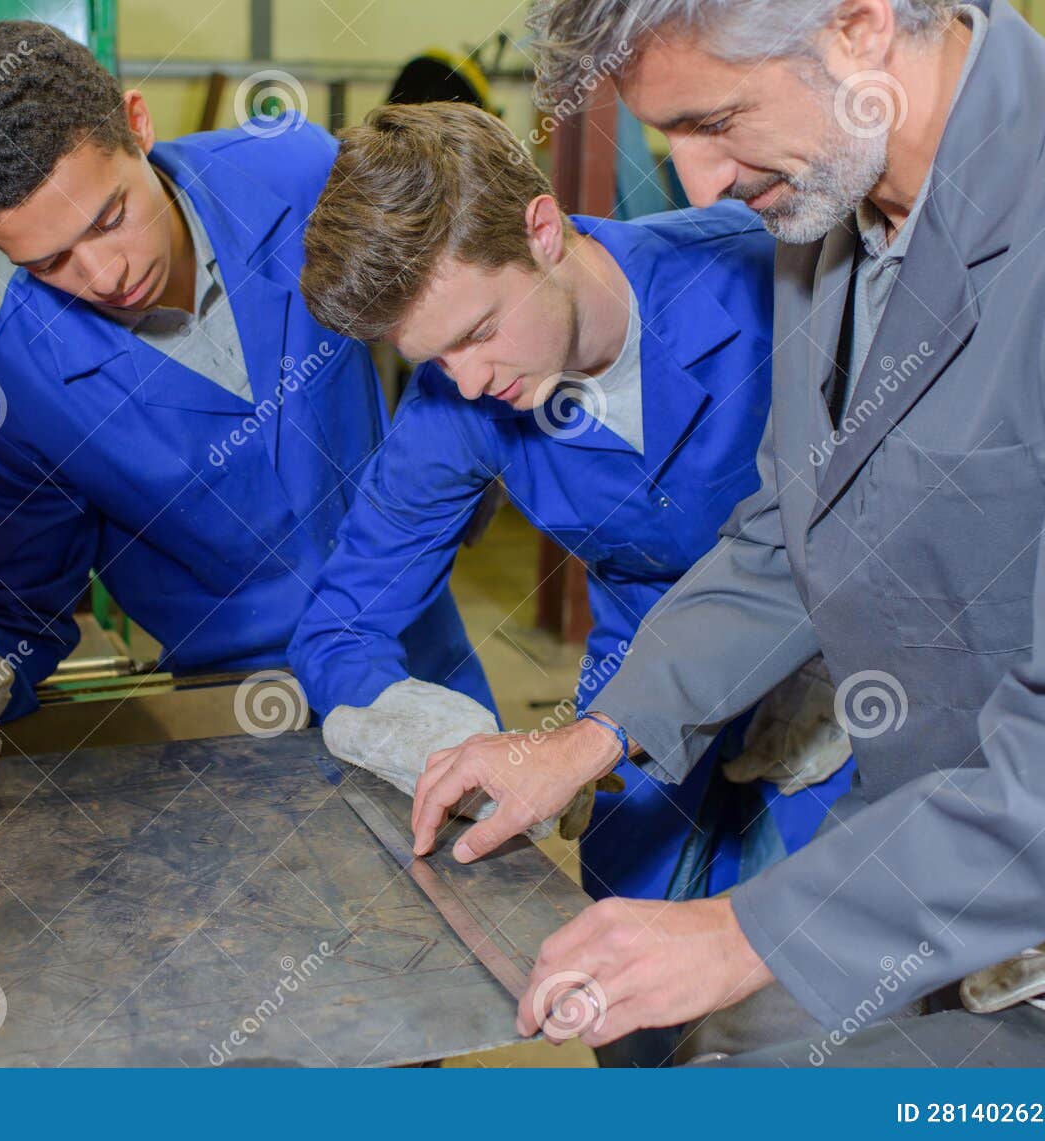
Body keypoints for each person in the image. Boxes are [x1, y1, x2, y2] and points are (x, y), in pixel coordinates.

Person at [409, 0, 1045, 1060]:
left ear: (860, 26)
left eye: (714, 121)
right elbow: (788, 533)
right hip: (922, 867)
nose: (700, 184)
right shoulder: (831, 212)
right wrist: (591, 735)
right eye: (668, 137)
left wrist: (754, 930)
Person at [0, 21, 487, 805]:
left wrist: (459, 476)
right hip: (242, 725)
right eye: (49, 261)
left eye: (108, 217)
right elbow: (15, 615)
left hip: (419, 656)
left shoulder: (303, 178)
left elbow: (464, 321)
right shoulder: (12, 398)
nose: (106, 273)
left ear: (137, 125)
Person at [289, 103, 851, 957]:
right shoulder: (456, 405)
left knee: (824, 950)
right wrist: (438, 739)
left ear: (543, 231)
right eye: (434, 356)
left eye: (479, 332)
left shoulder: (770, 271)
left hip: (829, 656)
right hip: (636, 676)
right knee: (612, 962)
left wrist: (856, 659)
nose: (468, 381)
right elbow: (339, 627)